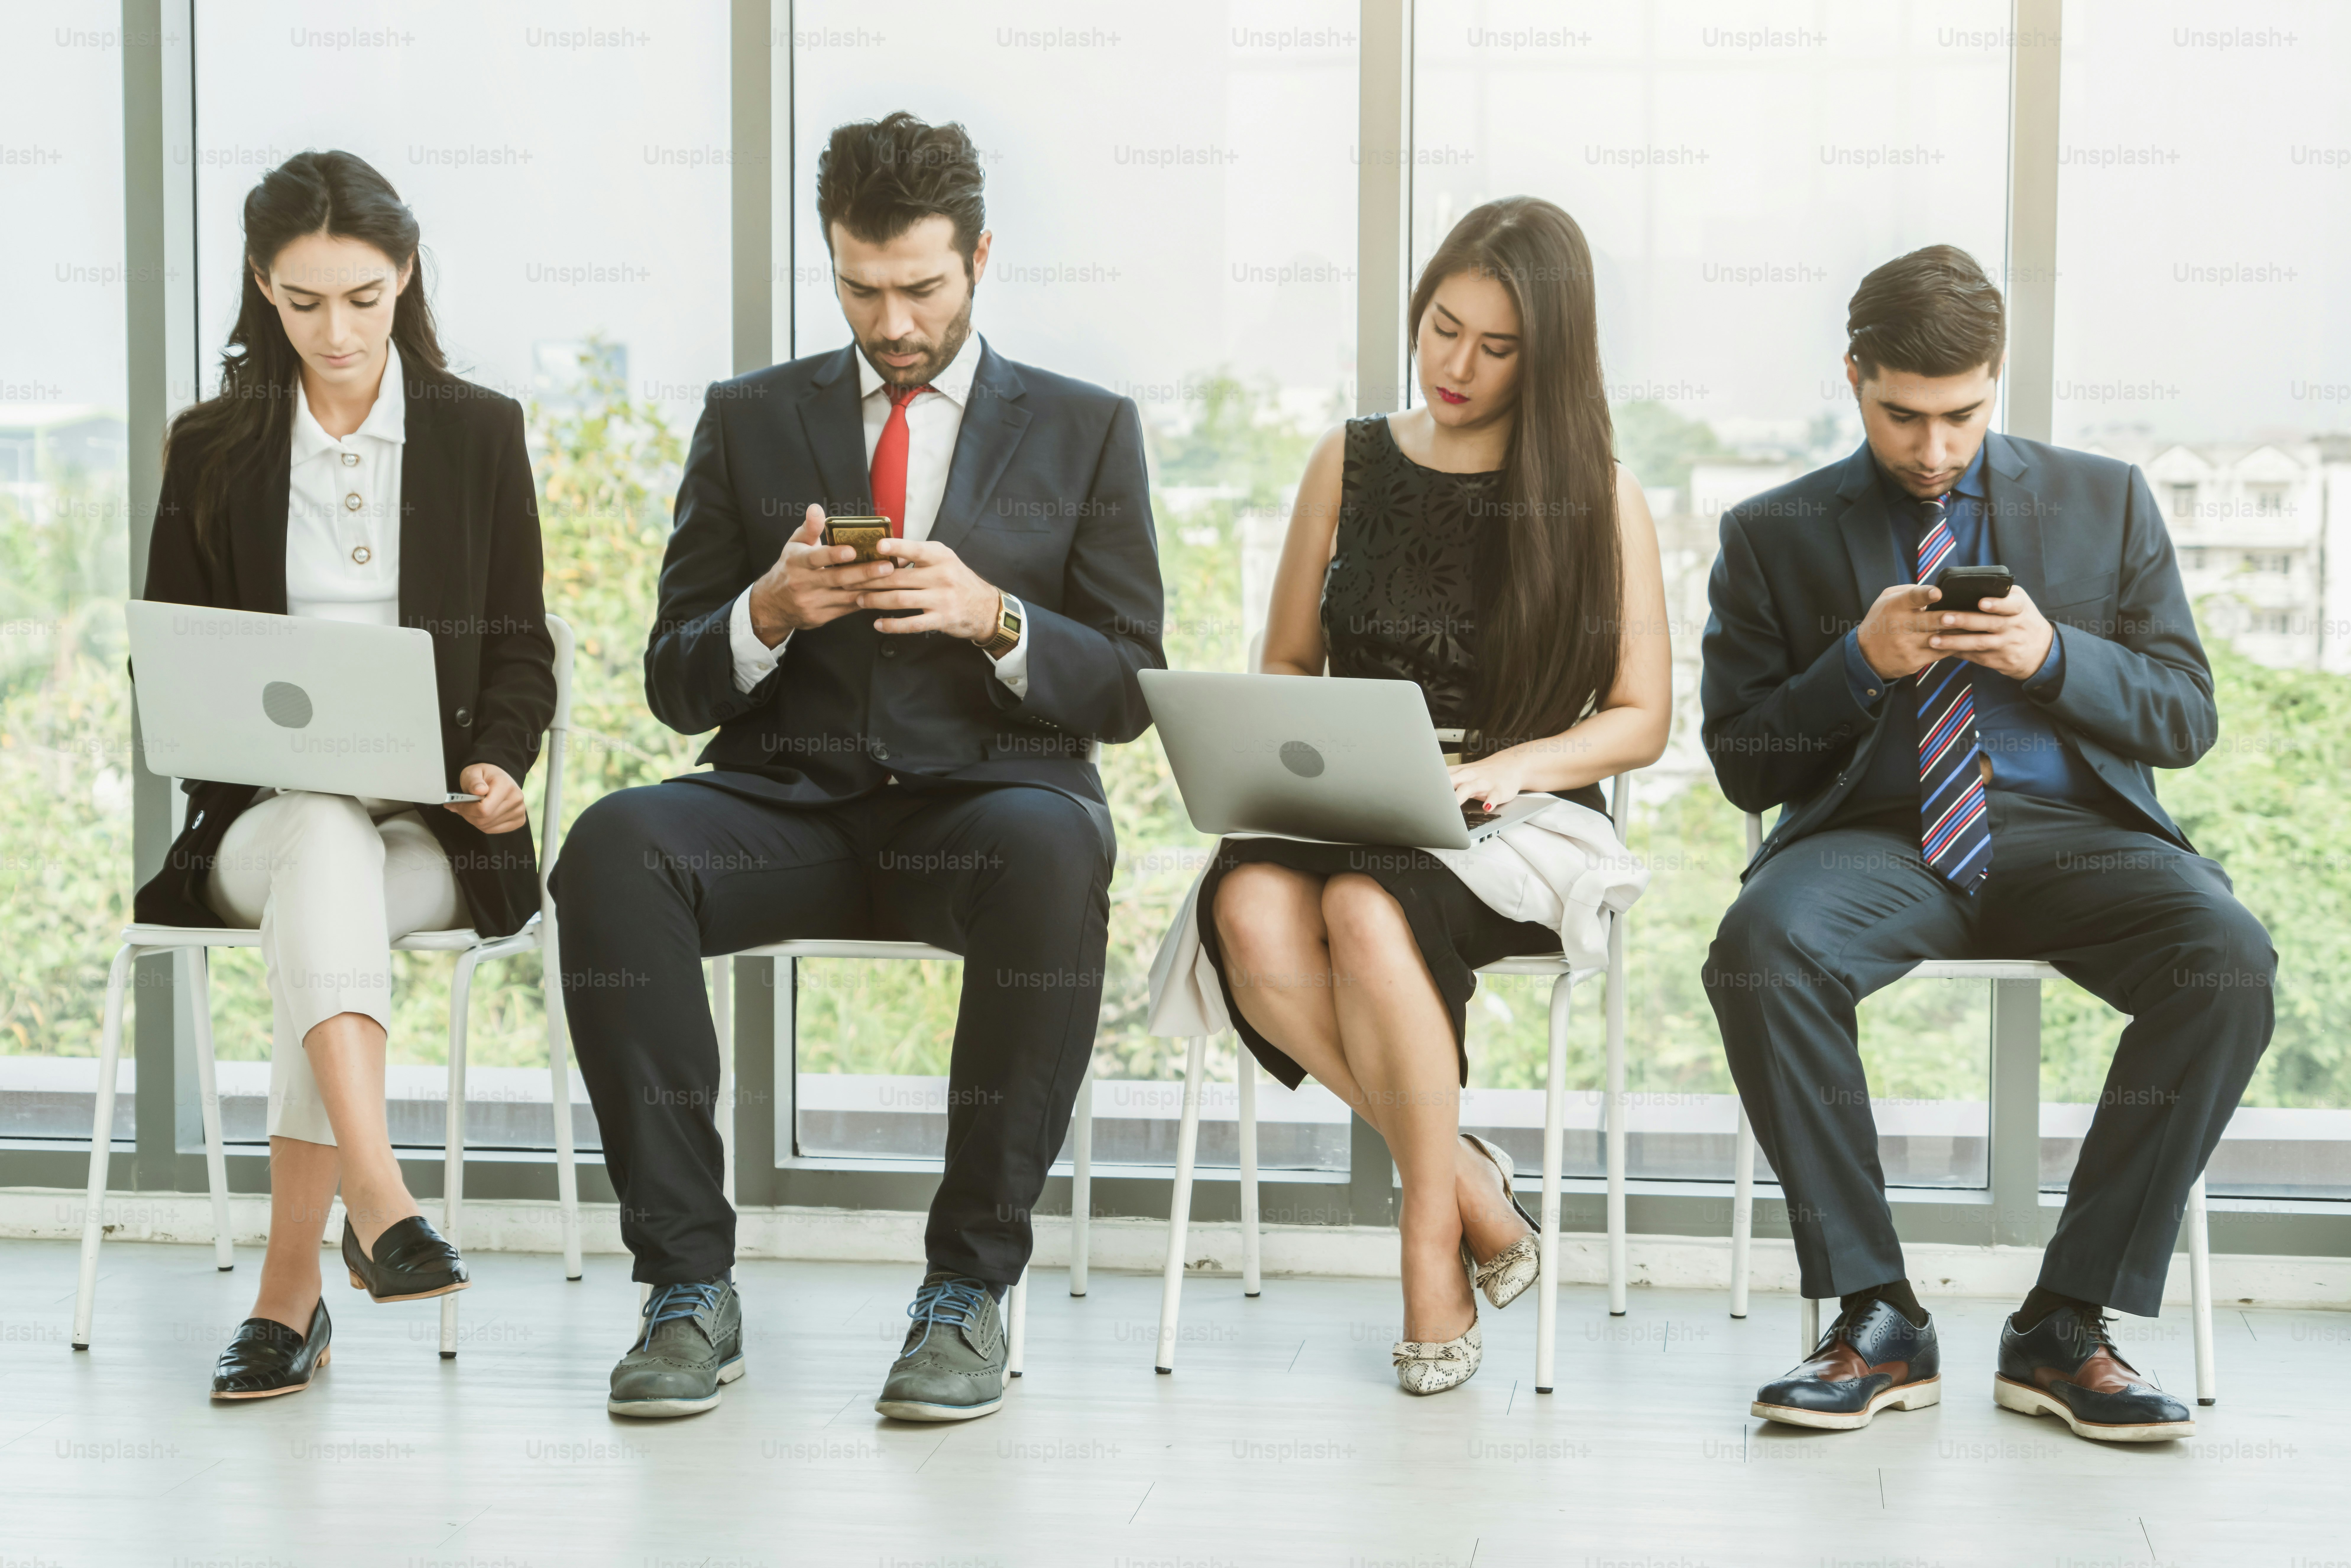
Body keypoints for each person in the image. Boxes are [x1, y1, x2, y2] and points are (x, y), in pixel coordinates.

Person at [552, 112, 1164, 1422]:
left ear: (979, 258)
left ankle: (966, 1293)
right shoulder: (747, 418)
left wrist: (994, 618)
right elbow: (673, 680)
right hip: (790, 811)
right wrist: (766, 612)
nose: (892, 323)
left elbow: (1126, 688)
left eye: (921, 288)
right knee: (612, 844)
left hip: (988, 814)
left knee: (1059, 847)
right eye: (859, 288)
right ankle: (686, 1289)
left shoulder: (1087, 428)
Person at [1701, 245, 2273, 1442]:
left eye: (1960, 415)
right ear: (1852, 379)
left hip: (2076, 841)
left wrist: (2051, 657)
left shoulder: (2106, 498)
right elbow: (1745, 765)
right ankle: (1876, 1317)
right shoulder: (1770, 533)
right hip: (1878, 844)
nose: (1932, 449)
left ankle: (2064, 1324)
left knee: (2225, 959)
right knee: (1760, 946)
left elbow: (2184, 718)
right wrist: (1856, 662)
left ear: (1994, 379)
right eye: (1901, 415)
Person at [1154, 197, 1668, 1395]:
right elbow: (1288, 664)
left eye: (1496, 348)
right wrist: (1321, 750)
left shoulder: (1599, 493)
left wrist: (1509, 767)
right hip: (1349, 789)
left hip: (1514, 807)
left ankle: (1424, 1245)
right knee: (1247, 908)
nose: (1456, 366)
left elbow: (1641, 718)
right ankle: (1467, 1183)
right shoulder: (1346, 461)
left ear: (1548, 357)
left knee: (1362, 908)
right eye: (1442, 328)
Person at [136, 150, 555, 1400]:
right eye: (305, 301)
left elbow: (520, 646)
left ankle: (290, 1299)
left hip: (432, 834)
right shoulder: (213, 448)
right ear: (262, 285)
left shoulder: (478, 431)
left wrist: (498, 762)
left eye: (364, 298)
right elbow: (173, 666)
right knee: (320, 839)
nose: (336, 331)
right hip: (260, 828)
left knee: (331, 911)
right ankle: (378, 1196)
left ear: (405, 275)